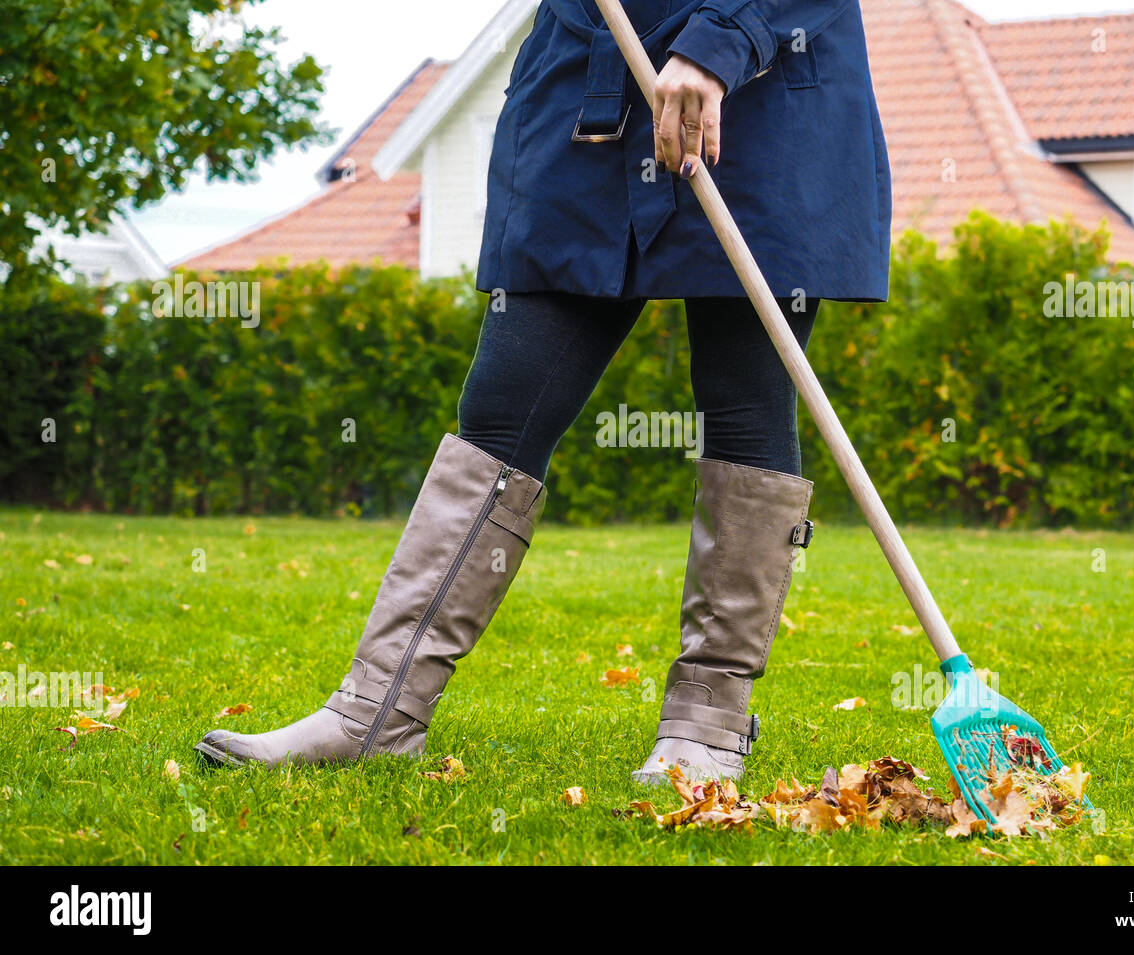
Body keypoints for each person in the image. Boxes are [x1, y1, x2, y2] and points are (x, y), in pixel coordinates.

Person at [196, 0, 892, 783]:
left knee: (745, 399)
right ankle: (376, 708)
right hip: (589, 83)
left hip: (760, 97)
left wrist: (723, 37)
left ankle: (706, 723)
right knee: (504, 400)